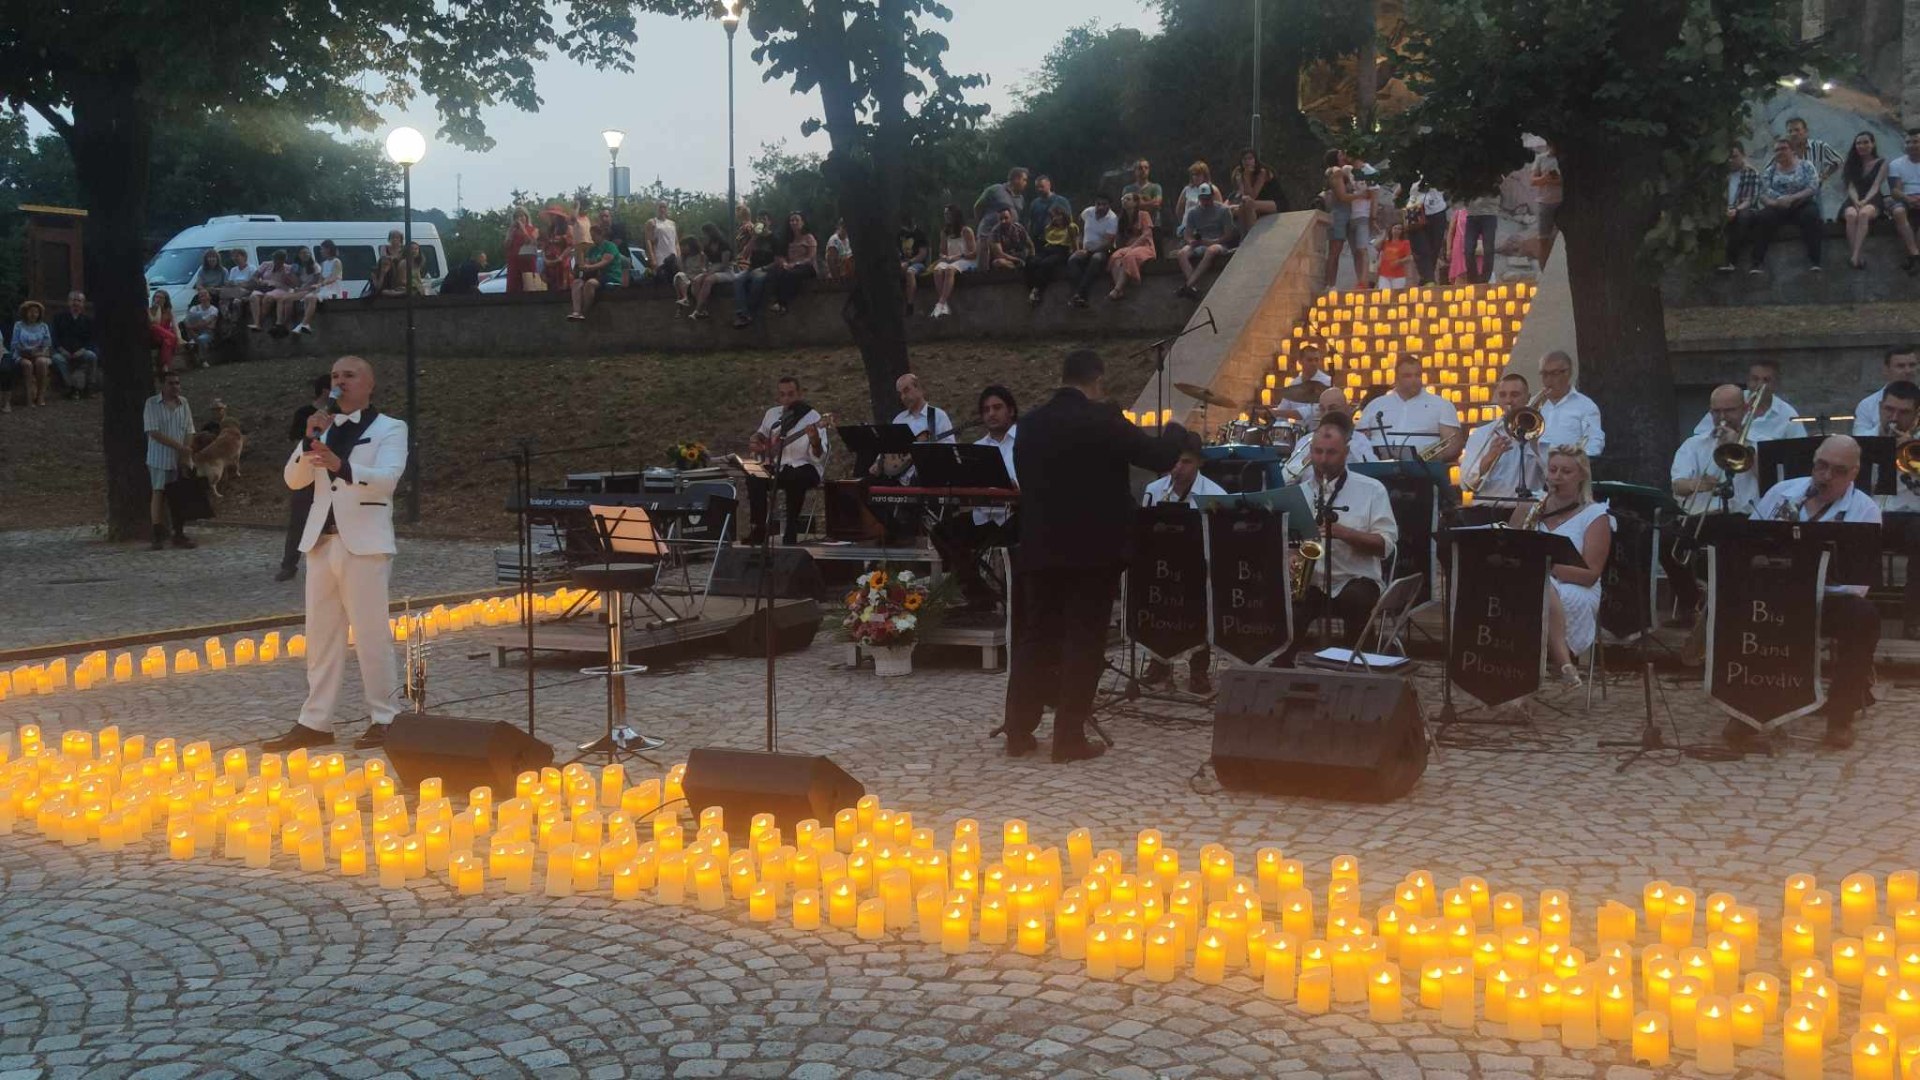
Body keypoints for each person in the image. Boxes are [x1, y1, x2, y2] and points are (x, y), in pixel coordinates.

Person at [1002, 350, 1187, 762]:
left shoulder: (1029, 425)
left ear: (1063, 378)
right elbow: (1157, 457)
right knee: (1084, 640)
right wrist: (1176, 431)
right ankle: (1068, 738)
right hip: (1092, 554)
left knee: (1036, 638)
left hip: (1041, 548)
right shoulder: (1103, 419)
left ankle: (1018, 730)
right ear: (1097, 381)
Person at [263, 355, 409, 753]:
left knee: (370, 635)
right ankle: (316, 722)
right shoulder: (321, 428)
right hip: (321, 541)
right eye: (334, 376)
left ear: (369, 384)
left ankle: (386, 716)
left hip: (363, 542)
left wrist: (342, 466)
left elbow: (387, 480)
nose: (340, 381)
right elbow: (294, 479)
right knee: (321, 636)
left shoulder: (390, 428)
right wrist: (307, 439)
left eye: (349, 374)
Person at [1745, 435, 1881, 749]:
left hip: (1827, 601)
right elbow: (1747, 544)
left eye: (1838, 470)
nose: (1826, 476)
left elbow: (1855, 586)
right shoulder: (1782, 494)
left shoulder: (1865, 510)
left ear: (1854, 474)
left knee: (1864, 616)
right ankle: (1746, 708)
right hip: (1774, 598)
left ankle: (1840, 716)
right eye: (1821, 466)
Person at [1282, 420, 1398, 664]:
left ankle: (1354, 666)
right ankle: (1282, 668)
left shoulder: (1372, 489)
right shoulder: (1300, 492)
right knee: (1289, 608)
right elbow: (1290, 543)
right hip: (1312, 580)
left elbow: (1385, 545)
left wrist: (1344, 533)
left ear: (1346, 452)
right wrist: (1292, 558)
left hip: (1356, 578)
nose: (1323, 460)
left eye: (1331, 452)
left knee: (1354, 602)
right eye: (1318, 452)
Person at [1512, 447, 1611, 687]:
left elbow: (1590, 575)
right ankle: (1559, 662)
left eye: (1566, 471)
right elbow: (1509, 548)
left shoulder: (1595, 515)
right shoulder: (1530, 508)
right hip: (1530, 581)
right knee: (1531, 590)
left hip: (1576, 586)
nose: (1556, 476)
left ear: (1581, 477)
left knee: (1540, 590)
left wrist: (1546, 567)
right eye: (1553, 470)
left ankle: (1553, 662)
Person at [1139, 435, 1226, 695]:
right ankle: (1159, 661)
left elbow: (1220, 539)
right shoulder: (1154, 490)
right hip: (1162, 565)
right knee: (1157, 609)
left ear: (1199, 463)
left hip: (1198, 567)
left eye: (1186, 462)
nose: (1178, 468)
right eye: (1175, 462)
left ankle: (1198, 668)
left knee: (1199, 608)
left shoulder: (1214, 494)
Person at [1665, 384, 1760, 619]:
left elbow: (1770, 481)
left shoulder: (1760, 443)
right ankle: (1693, 603)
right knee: (1666, 540)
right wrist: (1704, 483)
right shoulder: (1694, 445)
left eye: (1729, 410)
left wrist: (1741, 444)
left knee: (1732, 537)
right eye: (1716, 411)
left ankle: (1730, 610)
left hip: (1745, 517)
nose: (1722, 418)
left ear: (1746, 409)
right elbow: (1678, 485)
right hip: (1701, 517)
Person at [931, 385, 1022, 612]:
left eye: (997, 407)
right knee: (942, 531)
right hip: (985, 517)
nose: (991, 413)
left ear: (1011, 410)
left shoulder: (1027, 441)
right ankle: (978, 594)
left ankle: (1016, 597)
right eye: (986, 409)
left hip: (1018, 516)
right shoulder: (976, 448)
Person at [745, 376, 829, 546]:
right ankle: (760, 528)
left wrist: (814, 440)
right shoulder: (772, 414)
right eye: (782, 395)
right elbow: (762, 434)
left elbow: (819, 455)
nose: (787, 399)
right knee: (753, 476)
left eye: (791, 394)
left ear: (799, 393)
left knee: (795, 477)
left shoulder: (813, 417)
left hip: (805, 466)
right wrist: (756, 439)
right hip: (778, 464)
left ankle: (792, 527)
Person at [1870, 381, 1920, 638]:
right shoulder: (1864, 436)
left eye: (1903, 412)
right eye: (1889, 410)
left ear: (1916, 414)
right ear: (1880, 407)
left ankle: (1914, 621)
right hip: (1872, 513)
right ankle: (1862, 617)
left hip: (1912, 517)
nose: (1894, 418)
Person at [1359, 354, 1463, 461]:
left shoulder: (1442, 405)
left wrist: (1427, 460)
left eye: (1417, 375)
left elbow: (1452, 444)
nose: (1414, 380)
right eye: (1407, 376)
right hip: (1377, 467)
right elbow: (1358, 439)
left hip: (1423, 470)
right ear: (1396, 378)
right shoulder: (1375, 405)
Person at [1460, 374, 1547, 502]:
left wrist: (1535, 444)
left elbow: (1552, 477)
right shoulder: (1481, 434)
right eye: (1503, 395)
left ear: (1527, 398)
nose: (1508, 401)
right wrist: (1490, 457)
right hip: (1487, 510)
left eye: (1515, 395)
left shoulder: (1541, 433)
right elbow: (1465, 484)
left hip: (1526, 509)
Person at [1747, 137, 1824, 272]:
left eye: (1783, 148)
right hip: (1777, 206)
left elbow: (1813, 187)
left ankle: (1815, 261)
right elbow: (1762, 193)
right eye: (1777, 150)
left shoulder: (1806, 165)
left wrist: (1792, 198)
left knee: (1811, 215)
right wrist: (1775, 203)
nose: (1780, 152)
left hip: (1801, 204)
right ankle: (1757, 263)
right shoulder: (1770, 170)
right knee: (1763, 217)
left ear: (1792, 150)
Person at [143, 371, 197, 550]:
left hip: (179, 459)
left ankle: (179, 533)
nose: (175, 387)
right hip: (160, 457)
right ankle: (157, 533)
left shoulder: (184, 403)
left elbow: (189, 429)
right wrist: (179, 447)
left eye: (177, 383)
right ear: (163, 386)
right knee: (158, 493)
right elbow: (154, 432)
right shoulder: (152, 404)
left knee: (179, 496)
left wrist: (186, 450)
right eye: (171, 383)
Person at [1691, 359, 1806, 440]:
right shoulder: (1729, 401)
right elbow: (1699, 436)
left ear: (1776, 384)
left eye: (1766, 380)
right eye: (1755, 379)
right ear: (1747, 381)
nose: (1760, 385)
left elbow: (1798, 449)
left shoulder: (1788, 414)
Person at [1281, 397, 1376, 481]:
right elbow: (1284, 478)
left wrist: (1347, 442)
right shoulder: (1306, 440)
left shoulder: (1360, 439)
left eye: (1332, 408)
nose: (1326, 414)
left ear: (1347, 410)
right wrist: (1307, 460)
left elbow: (1374, 471)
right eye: (1322, 409)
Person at [1536, 351, 1606, 456]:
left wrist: (1578, 459)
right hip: (1535, 470)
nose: (1548, 380)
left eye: (1554, 374)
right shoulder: (1534, 405)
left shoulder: (1585, 405)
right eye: (1544, 374)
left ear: (1567, 373)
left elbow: (1594, 442)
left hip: (1567, 469)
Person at [1838, 132, 1888, 271]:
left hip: (1873, 198)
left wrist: (1865, 200)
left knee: (1864, 214)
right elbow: (1851, 187)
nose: (1862, 146)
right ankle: (1857, 256)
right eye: (1858, 143)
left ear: (1873, 144)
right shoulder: (1850, 163)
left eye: (1866, 142)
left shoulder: (1882, 162)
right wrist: (1856, 201)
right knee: (1851, 215)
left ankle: (1855, 256)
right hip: (1854, 198)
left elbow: (1876, 185)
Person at [1175, 185, 1236, 299]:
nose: (1205, 201)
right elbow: (1187, 234)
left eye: (1207, 198)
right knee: (1182, 253)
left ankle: (1188, 285)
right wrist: (1191, 241)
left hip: (1219, 242)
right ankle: (1193, 288)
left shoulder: (1223, 210)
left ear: (1212, 197)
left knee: (1211, 250)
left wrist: (1214, 241)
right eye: (1202, 198)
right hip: (1201, 242)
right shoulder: (1193, 212)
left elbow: (1229, 234)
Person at [1851, 346, 1920, 435]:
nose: (1908, 370)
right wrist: (1882, 429)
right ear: (1886, 370)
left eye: (1912, 365)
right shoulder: (1867, 405)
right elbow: (1859, 437)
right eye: (1900, 366)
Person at [731, 211, 782, 327]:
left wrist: (764, 268)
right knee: (737, 279)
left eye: (764, 219)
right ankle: (742, 312)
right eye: (759, 219)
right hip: (752, 268)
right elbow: (744, 255)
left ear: (769, 222)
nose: (761, 222)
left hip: (766, 269)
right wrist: (753, 238)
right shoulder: (756, 238)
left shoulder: (774, 239)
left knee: (757, 280)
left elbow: (778, 261)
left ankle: (751, 312)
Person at [1067, 194, 1118, 307]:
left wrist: (1090, 251)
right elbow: (1079, 226)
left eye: (1104, 204)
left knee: (1096, 259)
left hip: (1105, 251)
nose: (1100, 207)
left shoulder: (1112, 219)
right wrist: (1079, 246)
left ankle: (1079, 293)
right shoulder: (1088, 212)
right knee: (1072, 260)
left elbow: (1108, 243)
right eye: (1098, 204)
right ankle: (1081, 294)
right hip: (1085, 249)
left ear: (1109, 206)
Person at [1719, 145, 1764, 272]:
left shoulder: (1751, 173)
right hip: (1725, 209)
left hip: (1745, 209)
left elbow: (1750, 199)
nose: (1731, 160)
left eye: (1734, 157)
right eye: (1728, 158)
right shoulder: (1721, 176)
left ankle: (1731, 260)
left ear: (1743, 155)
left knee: (1743, 217)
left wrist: (1735, 210)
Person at [929, 204, 977, 319]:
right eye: (945, 214)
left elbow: (974, 253)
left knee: (950, 270)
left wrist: (959, 256)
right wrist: (944, 257)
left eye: (948, 214)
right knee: (938, 270)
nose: (946, 216)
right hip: (950, 260)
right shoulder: (945, 232)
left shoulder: (966, 231)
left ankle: (940, 303)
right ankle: (944, 304)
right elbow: (942, 251)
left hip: (965, 259)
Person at [568, 224, 624, 321]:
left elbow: (604, 262)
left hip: (610, 275)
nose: (592, 238)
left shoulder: (610, 246)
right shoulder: (592, 249)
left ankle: (584, 311)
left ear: (600, 235)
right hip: (595, 275)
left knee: (590, 284)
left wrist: (590, 267)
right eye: (591, 235)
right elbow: (587, 262)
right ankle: (576, 311)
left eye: (594, 235)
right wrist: (582, 267)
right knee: (577, 283)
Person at [767, 211, 819, 314]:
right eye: (792, 220)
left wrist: (796, 264)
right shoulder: (787, 238)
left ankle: (783, 304)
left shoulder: (809, 237)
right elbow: (781, 255)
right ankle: (774, 301)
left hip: (806, 266)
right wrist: (784, 263)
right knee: (775, 271)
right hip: (790, 266)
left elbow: (811, 257)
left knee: (790, 274)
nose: (794, 222)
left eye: (796, 220)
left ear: (802, 222)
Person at [1322, 151, 1361, 290]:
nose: (1344, 156)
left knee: (1350, 250)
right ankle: (1329, 284)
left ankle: (1333, 284)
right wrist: (1360, 196)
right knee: (1335, 250)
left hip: (1347, 214)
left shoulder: (1343, 172)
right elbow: (1342, 196)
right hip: (1339, 214)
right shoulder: (1337, 172)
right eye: (1340, 155)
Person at [50, 291, 99, 399]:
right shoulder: (59, 318)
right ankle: (71, 386)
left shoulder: (88, 321)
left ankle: (90, 387)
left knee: (92, 356)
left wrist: (83, 350)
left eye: (79, 301)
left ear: (83, 304)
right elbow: (54, 337)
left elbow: (92, 339)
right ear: (68, 302)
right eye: (73, 300)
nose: (76, 303)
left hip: (81, 351)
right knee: (57, 358)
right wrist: (61, 349)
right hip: (63, 351)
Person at [1024, 204, 1076, 304]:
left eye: (1058, 215)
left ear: (1063, 215)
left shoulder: (1071, 227)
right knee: (1031, 261)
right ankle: (1031, 287)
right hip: (1048, 248)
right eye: (1053, 216)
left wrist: (1074, 252)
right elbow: (1047, 238)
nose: (1056, 218)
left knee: (1046, 263)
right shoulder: (1050, 227)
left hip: (1061, 249)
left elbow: (1074, 242)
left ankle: (1037, 289)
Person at [1275, 345, 1335, 431]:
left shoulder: (1328, 383)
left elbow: (1313, 412)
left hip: (1321, 432)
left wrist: (1277, 412)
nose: (1314, 363)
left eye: (1316, 360)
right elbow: (1282, 411)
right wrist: (1273, 416)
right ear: (1300, 362)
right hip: (1298, 434)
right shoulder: (1294, 384)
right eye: (1310, 360)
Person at [289, 240, 342, 334]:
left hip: (333, 290)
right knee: (308, 297)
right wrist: (317, 288)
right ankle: (305, 324)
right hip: (323, 290)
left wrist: (320, 284)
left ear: (328, 249)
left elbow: (334, 277)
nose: (321, 251)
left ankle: (304, 324)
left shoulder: (336, 261)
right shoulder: (324, 263)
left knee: (312, 298)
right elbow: (320, 279)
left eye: (322, 249)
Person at [1886, 128, 1920, 275]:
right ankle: (1914, 254)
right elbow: (1895, 191)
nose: (1911, 145)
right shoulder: (1896, 164)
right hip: (1905, 197)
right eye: (1908, 142)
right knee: (1898, 211)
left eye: (1915, 141)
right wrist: (1909, 199)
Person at [1227, 148, 1281, 236]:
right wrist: (1241, 180)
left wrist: (1247, 177)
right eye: (1245, 159)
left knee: (1248, 203)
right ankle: (1242, 237)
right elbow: (1243, 195)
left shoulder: (1262, 172)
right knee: (1241, 207)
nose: (1248, 161)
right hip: (1254, 202)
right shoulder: (1239, 173)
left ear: (1255, 160)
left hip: (1274, 202)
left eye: (1250, 158)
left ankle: (1252, 236)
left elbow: (1252, 196)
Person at [1405, 180, 1449, 286]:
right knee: (1420, 248)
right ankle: (1429, 280)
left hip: (1437, 210)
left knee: (1435, 247)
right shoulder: (1412, 173)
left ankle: (1426, 278)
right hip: (1415, 210)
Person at [972, 167, 1030, 248]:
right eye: (1024, 180)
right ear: (1016, 179)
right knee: (985, 259)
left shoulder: (1021, 199)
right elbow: (978, 206)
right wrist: (982, 223)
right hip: (987, 235)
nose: (1025, 183)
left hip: (1005, 239)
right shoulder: (995, 189)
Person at [1527, 140, 1563, 265]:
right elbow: (1532, 180)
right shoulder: (1541, 158)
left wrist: (1558, 180)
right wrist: (1545, 178)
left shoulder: (1564, 158)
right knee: (1543, 239)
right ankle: (1543, 269)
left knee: (1560, 238)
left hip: (1562, 202)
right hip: (1545, 202)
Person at [11, 301, 54, 407]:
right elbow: (15, 343)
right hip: (22, 354)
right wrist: (26, 351)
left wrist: (38, 353)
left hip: (39, 354)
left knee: (42, 362)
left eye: (36, 312)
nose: (33, 314)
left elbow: (47, 344)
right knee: (27, 365)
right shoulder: (18, 325)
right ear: (25, 312)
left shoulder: (44, 326)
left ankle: (40, 396)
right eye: (30, 311)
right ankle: (29, 398)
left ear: (39, 314)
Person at [689, 223, 735, 320]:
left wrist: (712, 271)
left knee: (708, 280)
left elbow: (724, 264)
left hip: (726, 271)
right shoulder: (707, 246)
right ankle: (703, 308)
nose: (703, 236)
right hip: (712, 269)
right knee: (696, 281)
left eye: (704, 233)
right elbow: (704, 262)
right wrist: (704, 270)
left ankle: (697, 310)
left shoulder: (724, 244)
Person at [1785, 116, 1843, 188]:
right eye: (1790, 131)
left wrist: (1825, 175)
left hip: (1814, 192)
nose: (1793, 134)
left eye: (1797, 130)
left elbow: (1838, 161)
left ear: (1806, 131)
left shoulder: (1820, 146)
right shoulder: (1784, 151)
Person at [247, 250, 296, 331]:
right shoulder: (266, 264)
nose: (277, 262)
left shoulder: (288, 268)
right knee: (253, 297)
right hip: (264, 286)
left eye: (280, 260)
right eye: (276, 260)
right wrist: (259, 282)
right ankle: (256, 323)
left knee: (268, 298)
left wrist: (287, 276)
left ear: (284, 260)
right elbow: (254, 276)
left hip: (279, 288)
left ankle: (259, 322)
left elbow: (293, 284)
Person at [1462, 190, 1500, 284]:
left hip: (1489, 214)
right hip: (1472, 215)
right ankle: (1473, 280)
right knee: (1468, 249)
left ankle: (1485, 279)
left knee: (1488, 249)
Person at [1121, 159, 1165, 235]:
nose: (1143, 170)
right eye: (1140, 168)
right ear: (1135, 171)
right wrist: (1148, 202)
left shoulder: (1156, 187)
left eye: (1146, 167)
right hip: (1132, 226)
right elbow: (1125, 205)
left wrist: (1136, 203)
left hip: (1153, 225)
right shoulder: (1127, 189)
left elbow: (1157, 203)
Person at [897, 212, 930, 315]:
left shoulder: (920, 235)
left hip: (918, 264)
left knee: (910, 273)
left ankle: (910, 304)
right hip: (903, 262)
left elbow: (922, 255)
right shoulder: (900, 235)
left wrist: (909, 262)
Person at [1024, 175, 1071, 242]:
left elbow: (1069, 222)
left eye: (1042, 186)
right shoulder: (1035, 203)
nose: (1039, 189)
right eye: (1037, 187)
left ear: (1049, 185)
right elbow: (1031, 222)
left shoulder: (1061, 201)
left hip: (1057, 241)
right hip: (1038, 241)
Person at [181, 289, 221, 366]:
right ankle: (194, 339)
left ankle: (202, 359)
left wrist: (193, 325)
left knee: (202, 339)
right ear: (199, 299)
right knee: (195, 315)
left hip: (207, 332)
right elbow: (186, 321)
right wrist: (201, 325)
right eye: (201, 295)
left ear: (209, 297)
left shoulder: (213, 309)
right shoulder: (194, 308)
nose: (203, 296)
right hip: (193, 332)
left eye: (205, 294)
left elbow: (209, 323)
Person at [505, 208, 540, 293]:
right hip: (514, 262)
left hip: (527, 262)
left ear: (526, 217)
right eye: (517, 217)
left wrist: (523, 229)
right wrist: (510, 232)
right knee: (514, 288)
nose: (519, 219)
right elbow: (506, 246)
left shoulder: (534, 229)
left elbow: (531, 242)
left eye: (521, 216)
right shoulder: (512, 231)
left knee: (529, 287)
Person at [1172, 162, 1214, 232]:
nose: (1195, 177)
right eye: (1193, 174)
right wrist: (1184, 223)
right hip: (1188, 228)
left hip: (1206, 228)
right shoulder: (1187, 189)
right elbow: (1179, 210)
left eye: (1198, 174)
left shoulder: (1212, 189)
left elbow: (1218, 209)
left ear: (1205, 175)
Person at [645, 201, 680, 283]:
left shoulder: (672, 223)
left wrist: (679, 256)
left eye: (664, 207)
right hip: (660, 256)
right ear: (656, 208)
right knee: (661, 279)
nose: (662, 209)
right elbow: (648, 241)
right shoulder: (652, 222)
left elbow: (676, 242)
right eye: (660, 207)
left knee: (675, 279)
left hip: (672, 255)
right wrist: (652, 258)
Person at [672, 236, 709, 311]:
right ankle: (684, 298)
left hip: (698, 276)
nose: (682, 248)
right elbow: (683, 271)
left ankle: (701, 307)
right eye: (681, 246)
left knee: (694, 286)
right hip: (688, 276)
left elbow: (704, 269)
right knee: (679, 277)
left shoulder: (702, 256)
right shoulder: (683, 258)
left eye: (684, 246)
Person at [148, 290, 181, 373]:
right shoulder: (149, 310)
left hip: (165, 338)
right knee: (154, 327)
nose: (158, 299)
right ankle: (173, 338)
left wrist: (179, 337)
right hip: (154, 337)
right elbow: (156, 323)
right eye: (156, 297)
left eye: (161, 297)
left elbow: (175, 326)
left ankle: (165, 367)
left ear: (165, 300)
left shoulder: (168, 312)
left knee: (167, 341)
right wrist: (158, 308)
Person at [1377, 222, 1413, 291]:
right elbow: (1376, 246)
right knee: (1384, 294)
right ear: (1391, 230)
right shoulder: (1386, 242)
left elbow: (1409, 257)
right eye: (1395, 228)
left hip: (1398, 275)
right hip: (1384, 274)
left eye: (1399, 229)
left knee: (1396, 296)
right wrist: (1383, 236)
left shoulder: (1405, 243)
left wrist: (1399, 261)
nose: (1397, 230)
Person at [542, 217, 574, 293]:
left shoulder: (567, 229)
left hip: (562, 262)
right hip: (549, 263)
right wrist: (545, 260)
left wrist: (560, 258)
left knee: (563, 286)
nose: (552, 217)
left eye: (554, 215)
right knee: (551, 285)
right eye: (551, 215)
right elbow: (544, 247)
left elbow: (570, 245)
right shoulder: (550, 230)